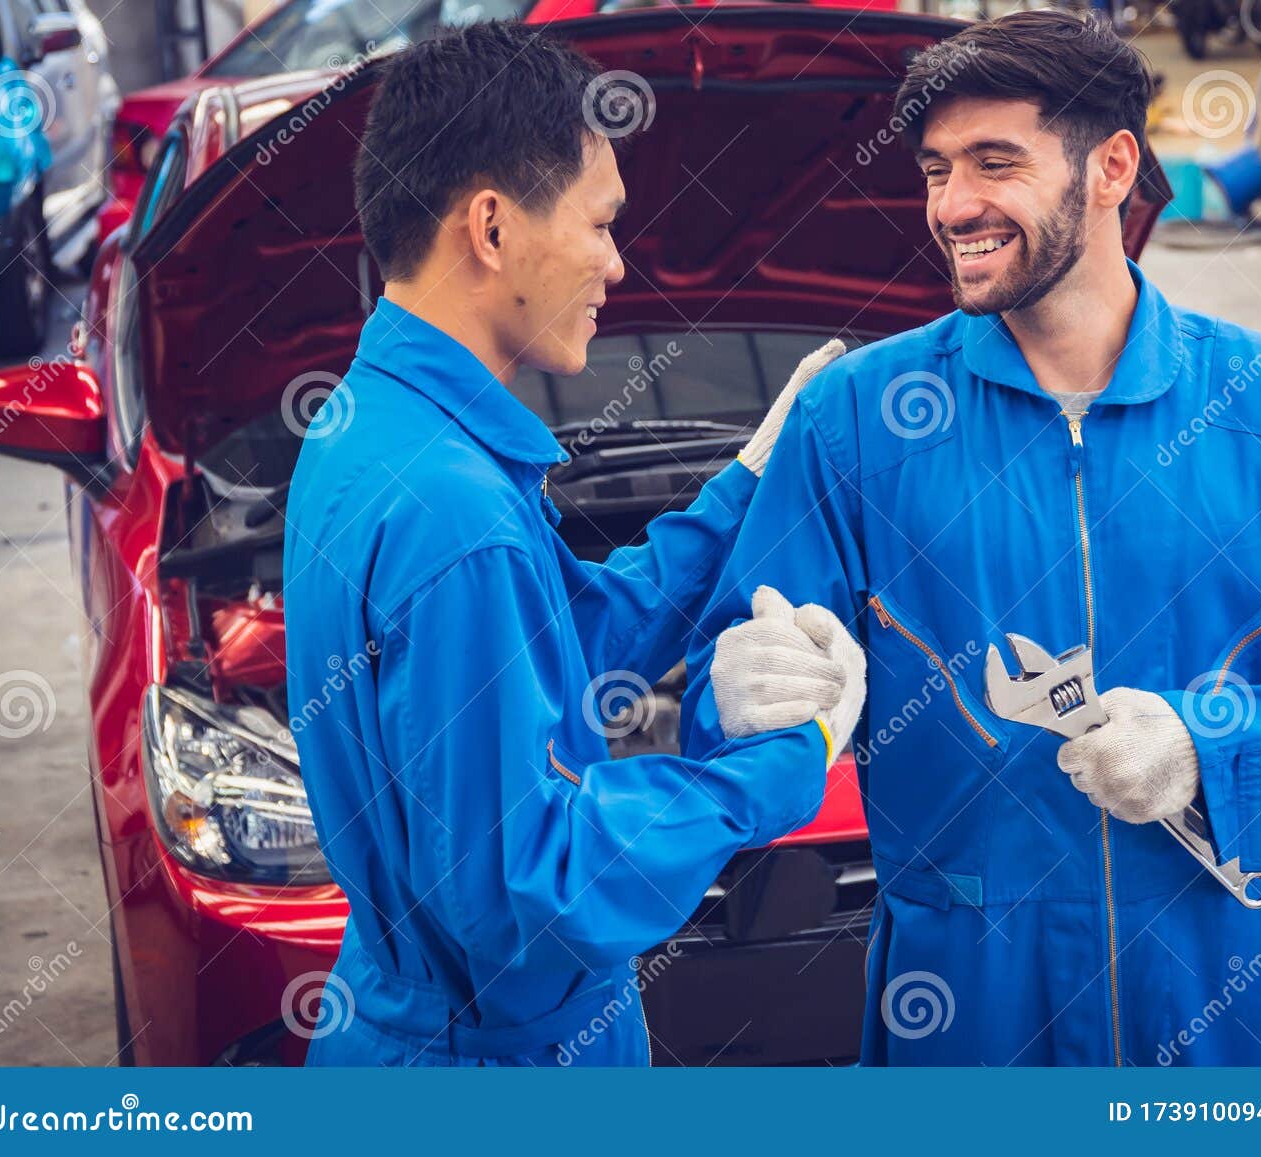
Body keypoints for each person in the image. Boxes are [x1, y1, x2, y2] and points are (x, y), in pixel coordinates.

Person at [683, 10, 1261, 1066]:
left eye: (996, 162)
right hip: (958, 1011)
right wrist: (741, 699)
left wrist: (1205, 744)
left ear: (1111, 165)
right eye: (937, 169)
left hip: (1203, 997)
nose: (952, 206)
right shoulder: (853, 420)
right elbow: (743, 707)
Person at [283, 21, 863, 1067]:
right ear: (493, 227)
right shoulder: (451, 513)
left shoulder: (374, 429)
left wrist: (746, 482)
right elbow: (533, 889)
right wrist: (780, 756)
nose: (617, 261)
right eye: (599, 225)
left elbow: (568, 643)